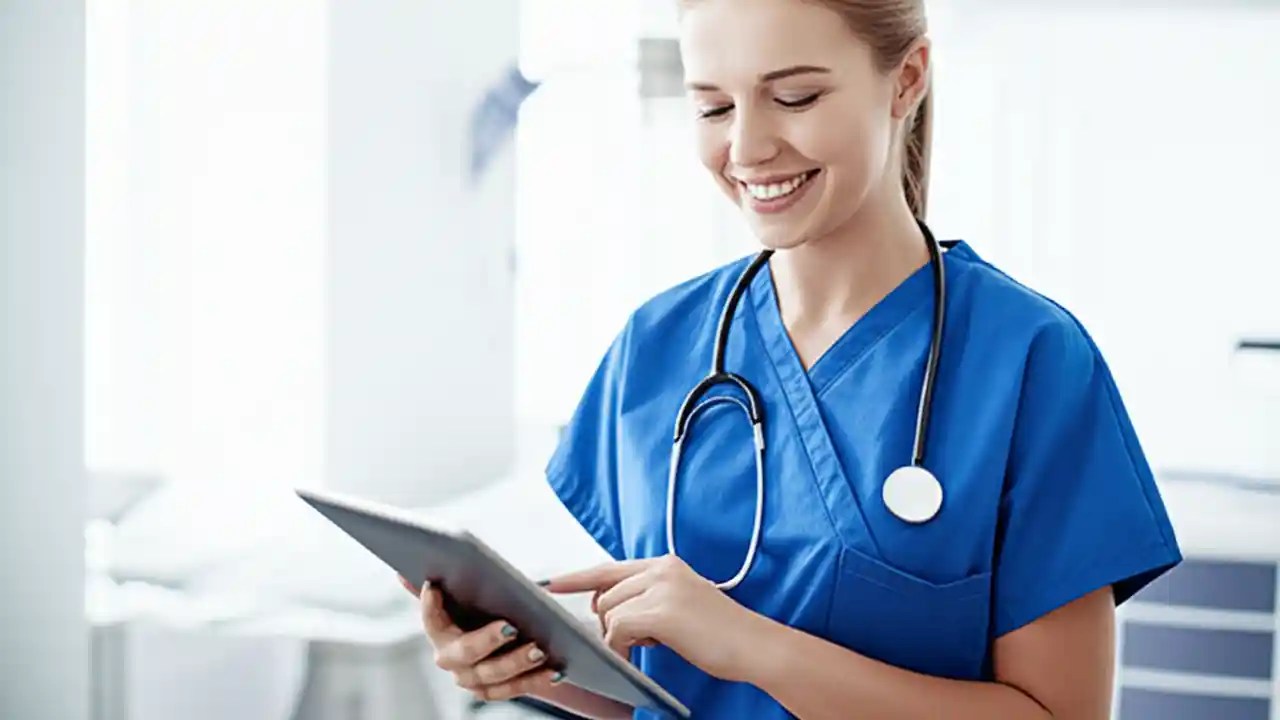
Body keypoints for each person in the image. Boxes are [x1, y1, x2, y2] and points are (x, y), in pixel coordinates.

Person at [405, 0, 1183, 717]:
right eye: (713, 105)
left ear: (905, 79)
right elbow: (666, 696)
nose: (747, 147)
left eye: (796, 98)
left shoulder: (1030, 362)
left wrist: (753, 648)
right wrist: (532, 670)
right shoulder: (657, 347)